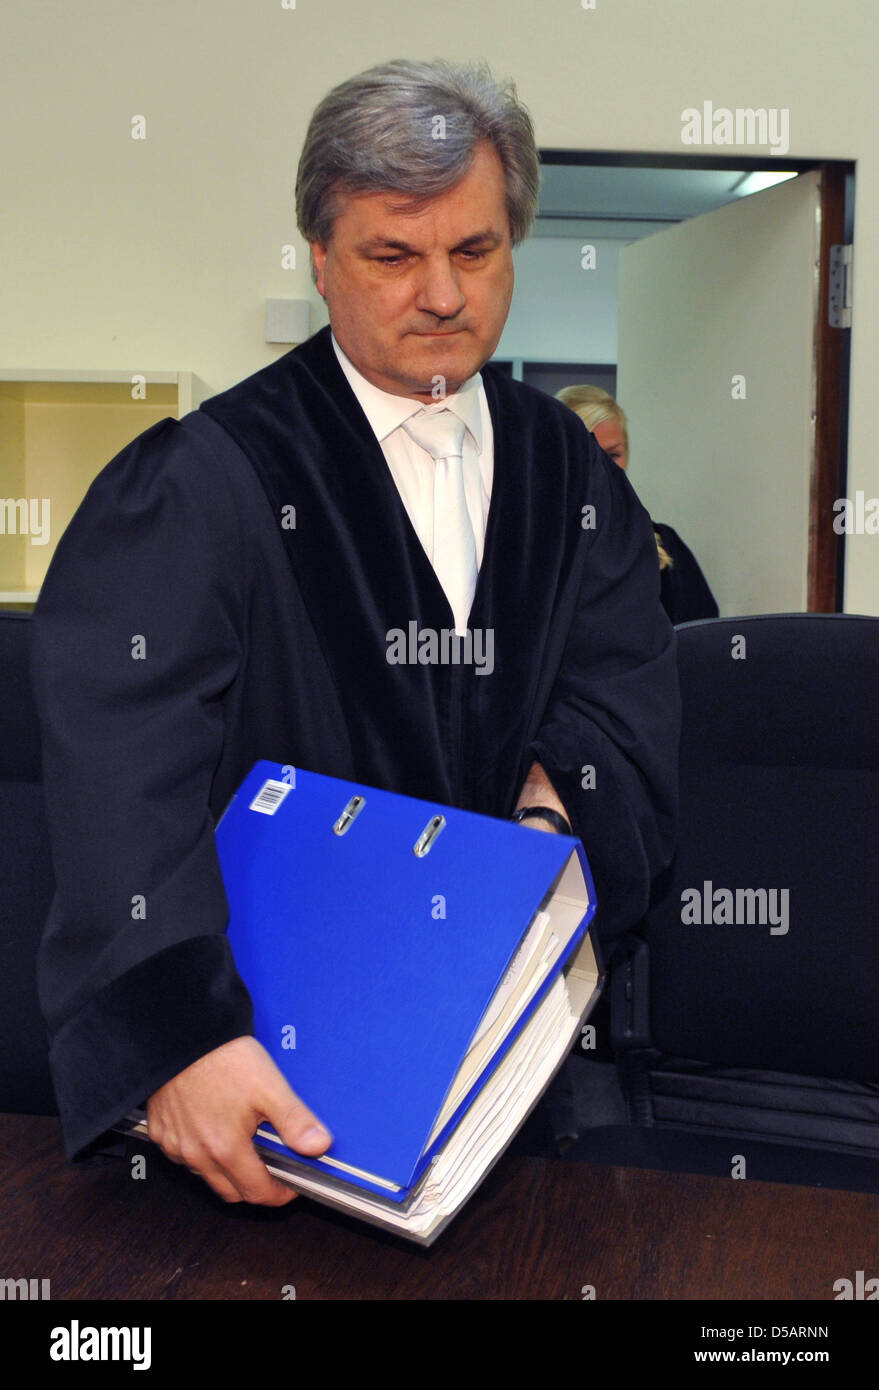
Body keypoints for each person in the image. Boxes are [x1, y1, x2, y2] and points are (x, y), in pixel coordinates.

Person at [31, 58, 680, 1207]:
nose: (442, 293)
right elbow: (122, 780)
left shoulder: (565, 468)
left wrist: (542, 827)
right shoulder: (207, 481)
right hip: (255, 1083)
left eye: (475, 252)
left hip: (504, 1075)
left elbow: (622, 683)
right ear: (321, 259)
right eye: (394, 254)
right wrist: (179, 1035)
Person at [556, 384, 719, 625]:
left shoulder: (664, 545)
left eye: (613, 455)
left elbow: (702, 640)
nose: (603, 468)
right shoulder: (536, 550)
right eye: (589, 453)